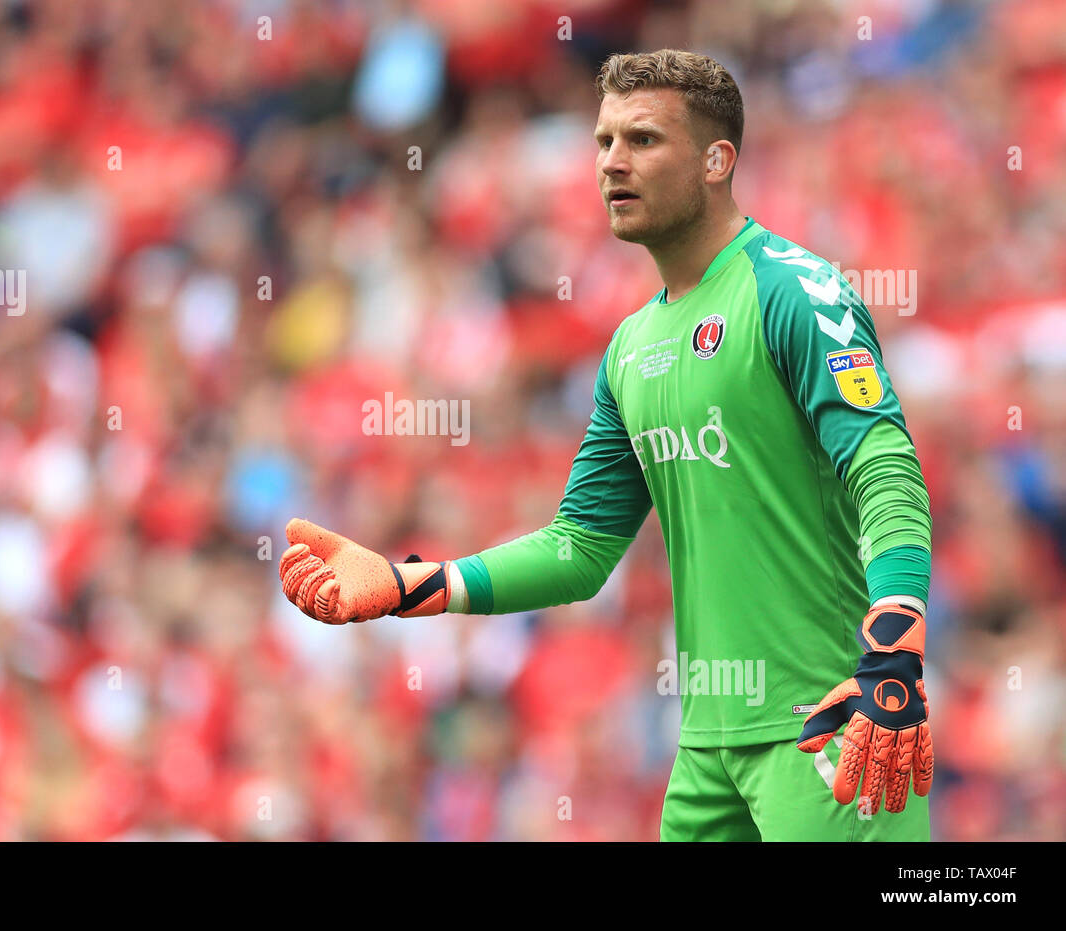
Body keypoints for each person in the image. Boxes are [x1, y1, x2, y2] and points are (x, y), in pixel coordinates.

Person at [277, 49, 933, 842]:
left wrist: (895, 638)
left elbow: (883, 460)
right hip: (707, 752)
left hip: (829, 728)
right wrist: (411, 584)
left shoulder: (795, 289)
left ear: (717, 160)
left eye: (644, 140)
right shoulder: (630, 348)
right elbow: (582, 546)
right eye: (602, 141)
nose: (612, 163)